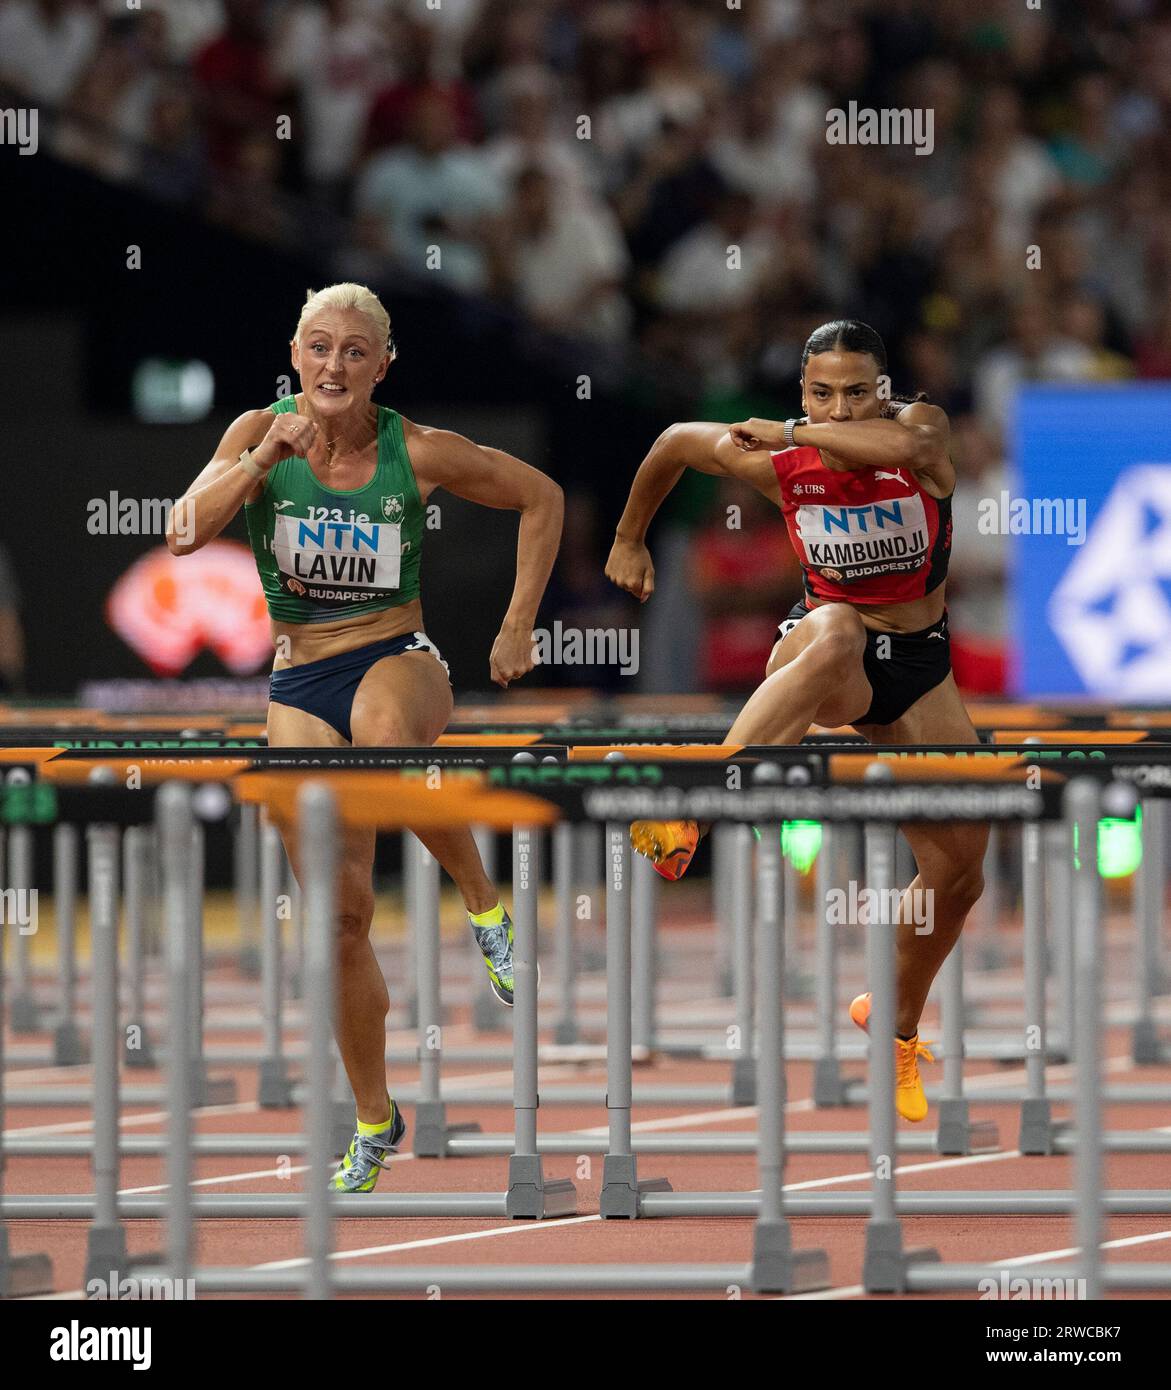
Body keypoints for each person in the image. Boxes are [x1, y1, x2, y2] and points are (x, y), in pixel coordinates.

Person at [166, 282, 563, 1189]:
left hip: (397, 655)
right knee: (340, 920)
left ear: (383, 364)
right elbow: (182, 530)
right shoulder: (254, 434)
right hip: (300, 675)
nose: (333, 365)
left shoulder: (415, 449)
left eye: (353, 350)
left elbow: (540, 497)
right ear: (294, 355)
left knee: (387, 738)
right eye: (317, 347)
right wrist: (263, 456)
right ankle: (376, 1118)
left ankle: (484, 907)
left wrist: (517, 623)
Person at [605, 318, 986, 1124]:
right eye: (822, 393)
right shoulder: (780, 462)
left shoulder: (919, 429)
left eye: (856, 392)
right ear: (802, 391)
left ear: (883, 389)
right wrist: (628, 538)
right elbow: (673, 440)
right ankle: (689, 809)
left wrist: (792, 430)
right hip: (823, 653)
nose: (840, 410)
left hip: (919, 667)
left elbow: (902, 454)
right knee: (841, 625)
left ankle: (892, 1026)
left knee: (959, 873)